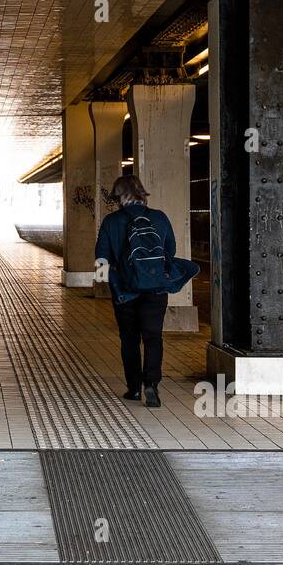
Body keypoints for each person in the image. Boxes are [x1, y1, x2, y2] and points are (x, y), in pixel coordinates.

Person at [94, 174, 199, 408]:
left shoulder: (111, 222)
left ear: (119, 196)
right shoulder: (159, 218)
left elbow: (101, 257)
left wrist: (107, 281)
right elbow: (169, 251)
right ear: (142, 193)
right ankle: (151, 384)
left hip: (125, 290)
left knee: (129, 339)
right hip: (156, 289)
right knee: (153, 337)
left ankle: (133, 388)